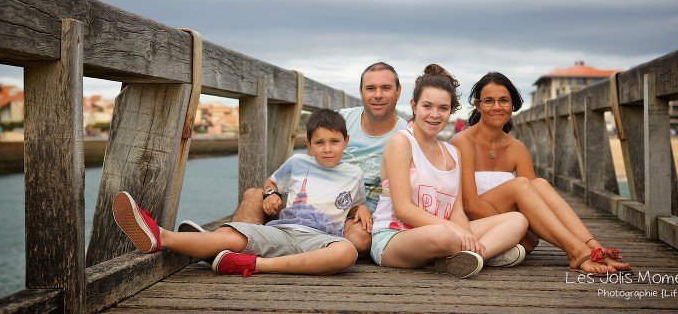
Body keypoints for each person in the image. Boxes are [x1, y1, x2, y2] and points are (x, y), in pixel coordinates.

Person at [112, 109, 369, 277]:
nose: (327, 149)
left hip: (319, 241)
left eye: (334, 142)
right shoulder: (298, 162)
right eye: (319, 142)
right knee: (230, 235)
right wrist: (270, 193)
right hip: (283, 230)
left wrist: (362, 208)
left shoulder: (354, 175)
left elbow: (355, 205)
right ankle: (160, 236)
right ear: (308, 144)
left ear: (346, 141)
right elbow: (271, 182)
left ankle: (254, 264)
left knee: (347, 253)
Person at [451, 71, 633, 274]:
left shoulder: (517, 148)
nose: (496, 107)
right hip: (473, 227)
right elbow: (470, 204)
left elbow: (535, 201)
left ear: (512, 105)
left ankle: (594, 247)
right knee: (521, 184)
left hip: (513, 230)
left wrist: (524, 229)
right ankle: (576, 251)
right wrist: (522, 230)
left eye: (503, 100)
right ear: (478, 105)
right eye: (489, 101)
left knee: (540, 184)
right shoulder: (463, 142)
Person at [228, 62, 407, 255]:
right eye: (370, 88)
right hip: (308, 207)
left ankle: (282, 249)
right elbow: (308, 167)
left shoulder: (405, 135)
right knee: (254, 196)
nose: (378, 95)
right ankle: (231, 248)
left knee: (359, 240)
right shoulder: (340, 120)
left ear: (398, 91)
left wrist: (360, 208)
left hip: (354, 217)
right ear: (361, 91)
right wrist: (271, 194)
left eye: (386, 88)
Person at [370, 64, 529, 278]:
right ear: (414, 106)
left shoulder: (452, 153)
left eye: (443, 108)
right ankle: (486, 252)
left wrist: (463, 229)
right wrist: (459, 232)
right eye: (427, 106)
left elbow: (456, 211)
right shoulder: (401, 142)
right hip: (396, 236)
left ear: (451, 111)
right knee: (442, 235)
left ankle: (468, 258)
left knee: (517, 220)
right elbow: (403, 209)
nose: (434, 115)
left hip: (447, 232)